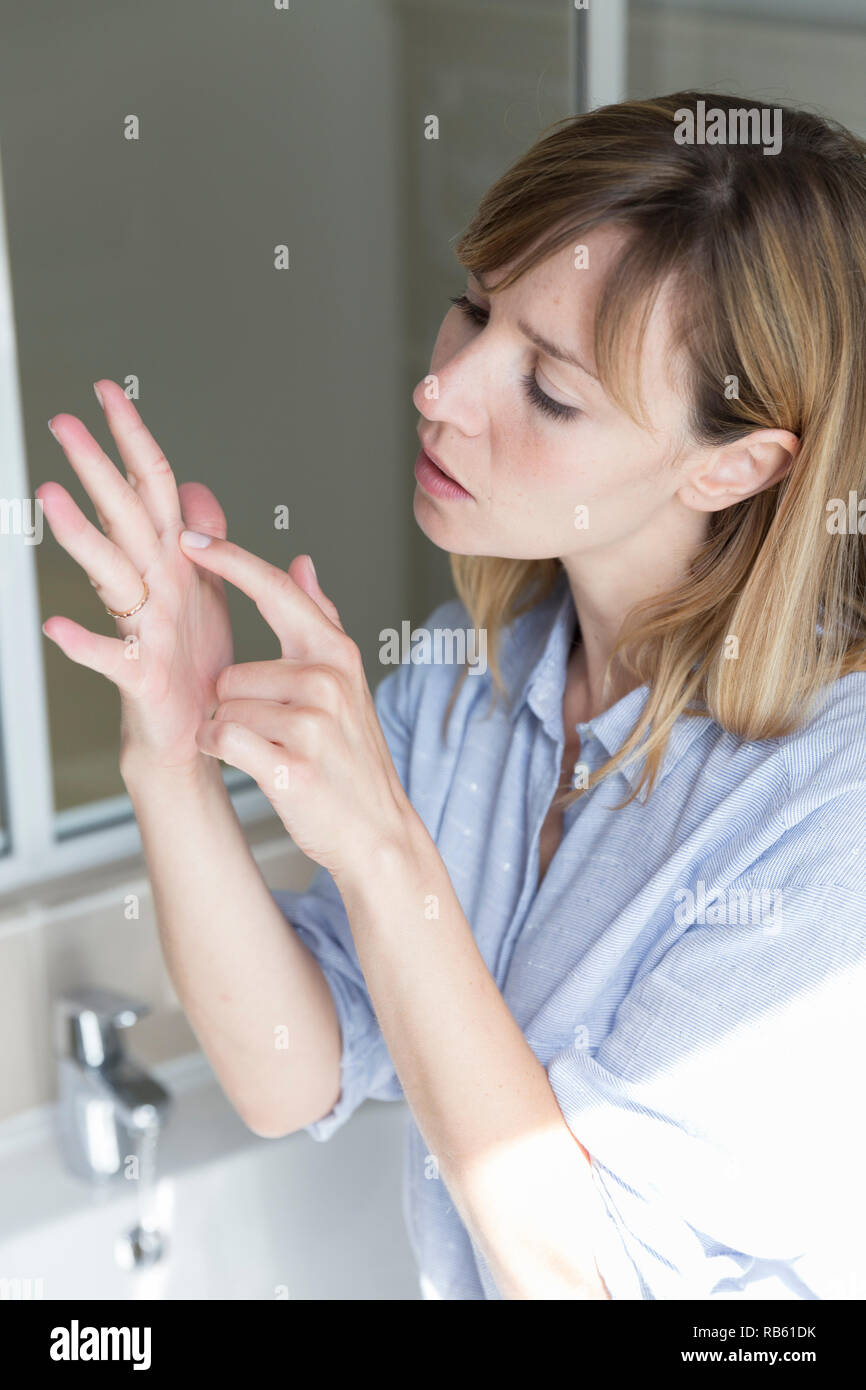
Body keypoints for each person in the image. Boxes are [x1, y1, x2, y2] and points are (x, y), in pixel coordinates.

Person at [39, 92, 866, 1299]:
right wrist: (174, 750)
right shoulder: (476, 682)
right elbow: (292, 1070)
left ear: (732, 464)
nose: (442, 387)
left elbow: (589, 1277)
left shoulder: (829, 814)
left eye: (549, 388)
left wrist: (382, 851)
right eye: (474, 307)